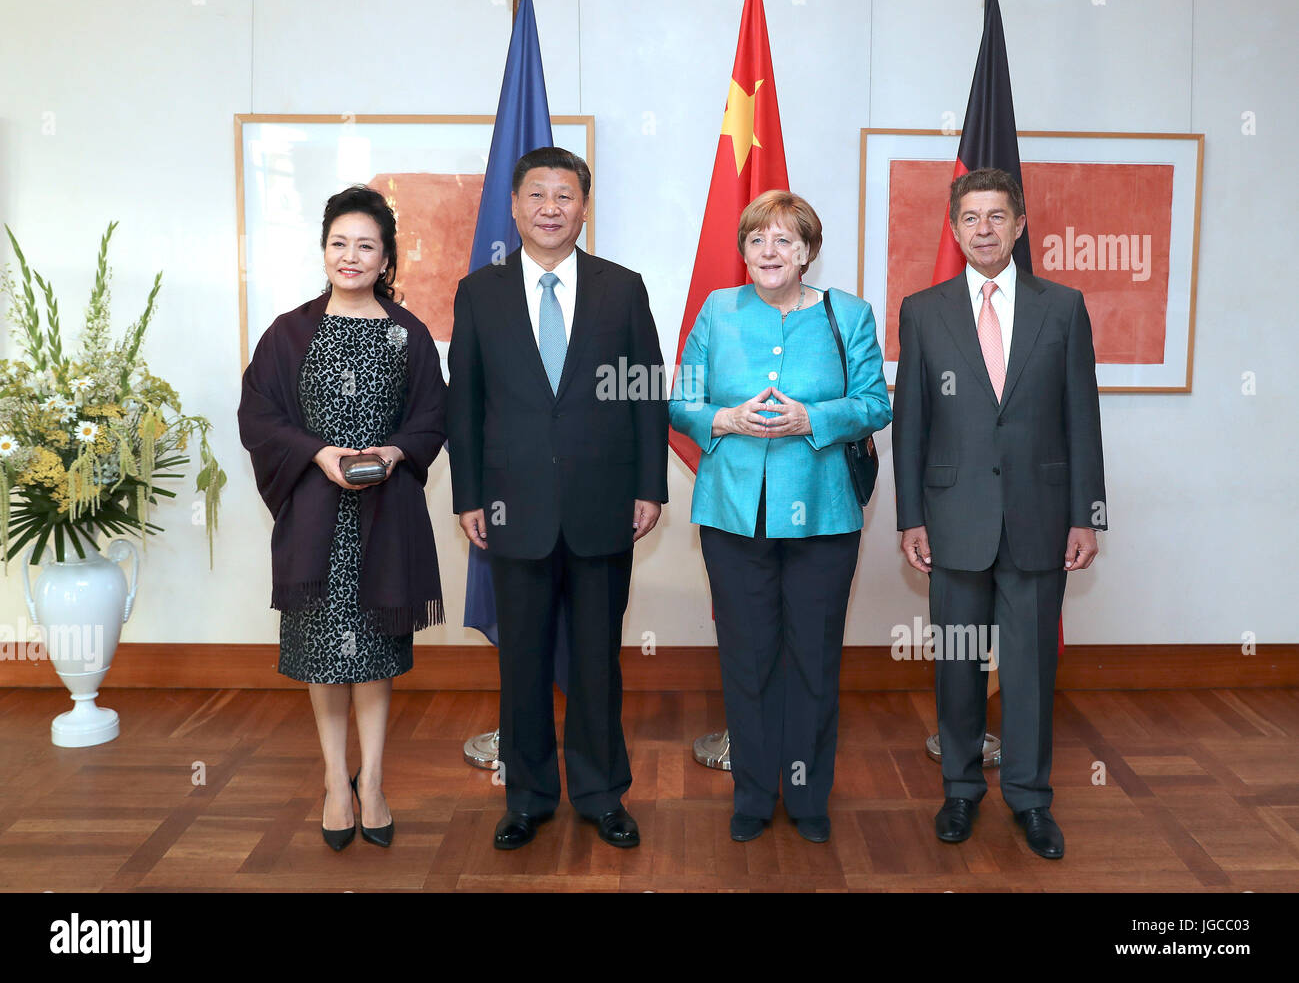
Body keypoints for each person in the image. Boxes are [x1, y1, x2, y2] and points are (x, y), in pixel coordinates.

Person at [447, 146, 668, 851]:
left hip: (605, 504)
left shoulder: (620, 288)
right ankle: (528, 796)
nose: (550, 208)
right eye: (537, 195)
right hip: (511, 508)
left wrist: (650, 486)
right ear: (514, 206)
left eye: (564, 195)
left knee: (598, 659)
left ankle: (603, 794)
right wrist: (470, 495)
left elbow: (645, 392)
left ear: (583, 206)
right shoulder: (479, 291)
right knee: (523, 663)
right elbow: (466, 404)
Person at [892, 167, 1106, 860]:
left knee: (1031, 667)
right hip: (953, 521)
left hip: (1042, 520)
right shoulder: (923, 311)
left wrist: (1086, 514)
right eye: (971, 218)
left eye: (997, 216)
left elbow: (1083, 418)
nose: (984, 228)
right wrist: (908, 517)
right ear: (954, 230)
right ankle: (959, 789)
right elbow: (910, 425)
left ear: (1019, 226)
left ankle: (1030, 799)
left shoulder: (1063, 306)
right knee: (957, 664)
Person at [669, 189, 892, 844]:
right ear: (743, 252)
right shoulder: (718, 309)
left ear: (808, 253)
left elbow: (875, 402)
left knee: (814, 658)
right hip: (734, 513)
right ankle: (753, 796)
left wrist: (814, 419)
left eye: (784, 240)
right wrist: (724, 418)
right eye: (757, 240)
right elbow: (680, 400)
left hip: (825, 516)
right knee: (748, 657)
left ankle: (808, 794)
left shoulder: (846, 315)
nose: (769, 251)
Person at [238, 185, 446, 852]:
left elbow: (431, 418)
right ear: (323, 249)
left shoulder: (405, 332)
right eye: (339, 243)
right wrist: (318, 453)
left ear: (386, 259)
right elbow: (258, 417)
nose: (350, 257)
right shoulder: (290, 331)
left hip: (385, 518)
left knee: (376, 655)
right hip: (315, 518)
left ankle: (375, 781)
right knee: (323, 658)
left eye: (366, 246)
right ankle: (335, 781)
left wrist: (393, 450)